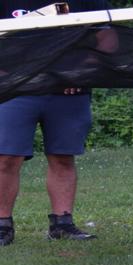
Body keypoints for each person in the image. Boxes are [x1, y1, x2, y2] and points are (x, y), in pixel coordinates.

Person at [0, 0, 109, 246]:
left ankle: (62, 225)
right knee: (6, 158)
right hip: (14, 91)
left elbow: (108, 40)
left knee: (62, 156)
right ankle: (2, 226)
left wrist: (78, 71)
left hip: (68, 92)